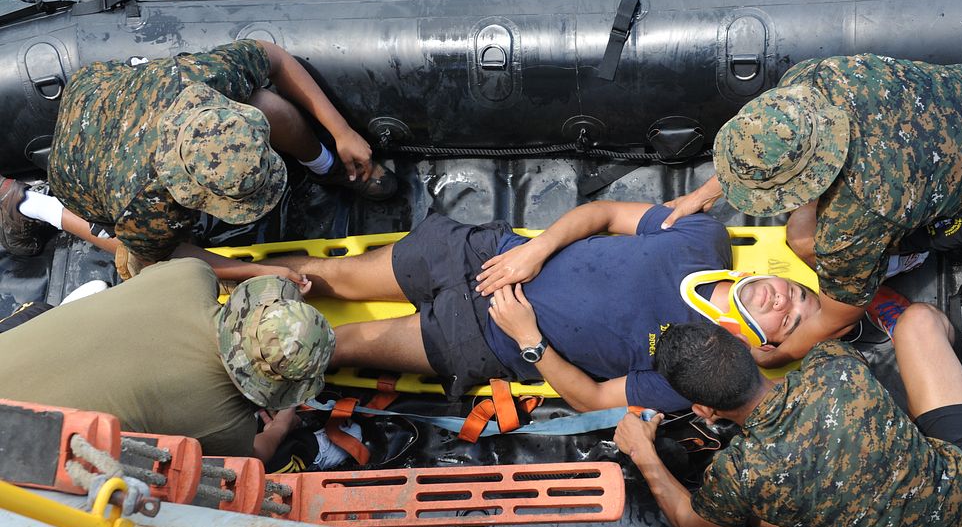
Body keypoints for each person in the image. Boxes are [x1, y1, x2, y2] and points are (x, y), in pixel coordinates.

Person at [265, 200, 819, 412]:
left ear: (765, 345)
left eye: (790, 318)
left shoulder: (698, 371)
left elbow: (593, 398)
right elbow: (604, 214)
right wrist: (536, 249)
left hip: (489, 337)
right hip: (489, 255)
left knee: (341, 345)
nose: (782, 297)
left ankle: (231, 360)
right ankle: (230, 278)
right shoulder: (704, 238)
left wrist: (529, 339)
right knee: (329, 277)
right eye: (797, 290)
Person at [613, 308, 962, 527]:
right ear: (746, 348)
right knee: (920, 320)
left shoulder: (739, 472)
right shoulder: (834, 362)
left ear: (703, 410)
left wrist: (644, 453)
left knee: (734, 513)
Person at [659, 54, 962, 368]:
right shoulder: (810, 79)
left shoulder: (857, 212)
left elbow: (839, 320)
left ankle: (887, 274)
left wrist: (778, 356)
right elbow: (766, 142)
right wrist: (704, 194)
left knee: (803, 239)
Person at [0, 39, 397, 284]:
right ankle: (30, 204)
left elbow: (272, 56)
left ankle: (326, 166)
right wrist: (253, 270)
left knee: (265, 103)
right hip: (80, 167)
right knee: (132, 256)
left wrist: (342, 132)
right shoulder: (147, 202)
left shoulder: (199, 77)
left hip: (103, 91)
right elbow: (158, 257)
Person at [0, 258, 334, 460]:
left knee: (40, 314)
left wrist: (262, 275)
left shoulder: (190, 275)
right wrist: (280, 427)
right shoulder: (226, 422)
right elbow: (255, 457)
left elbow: (155, 265)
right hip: (17, 452)